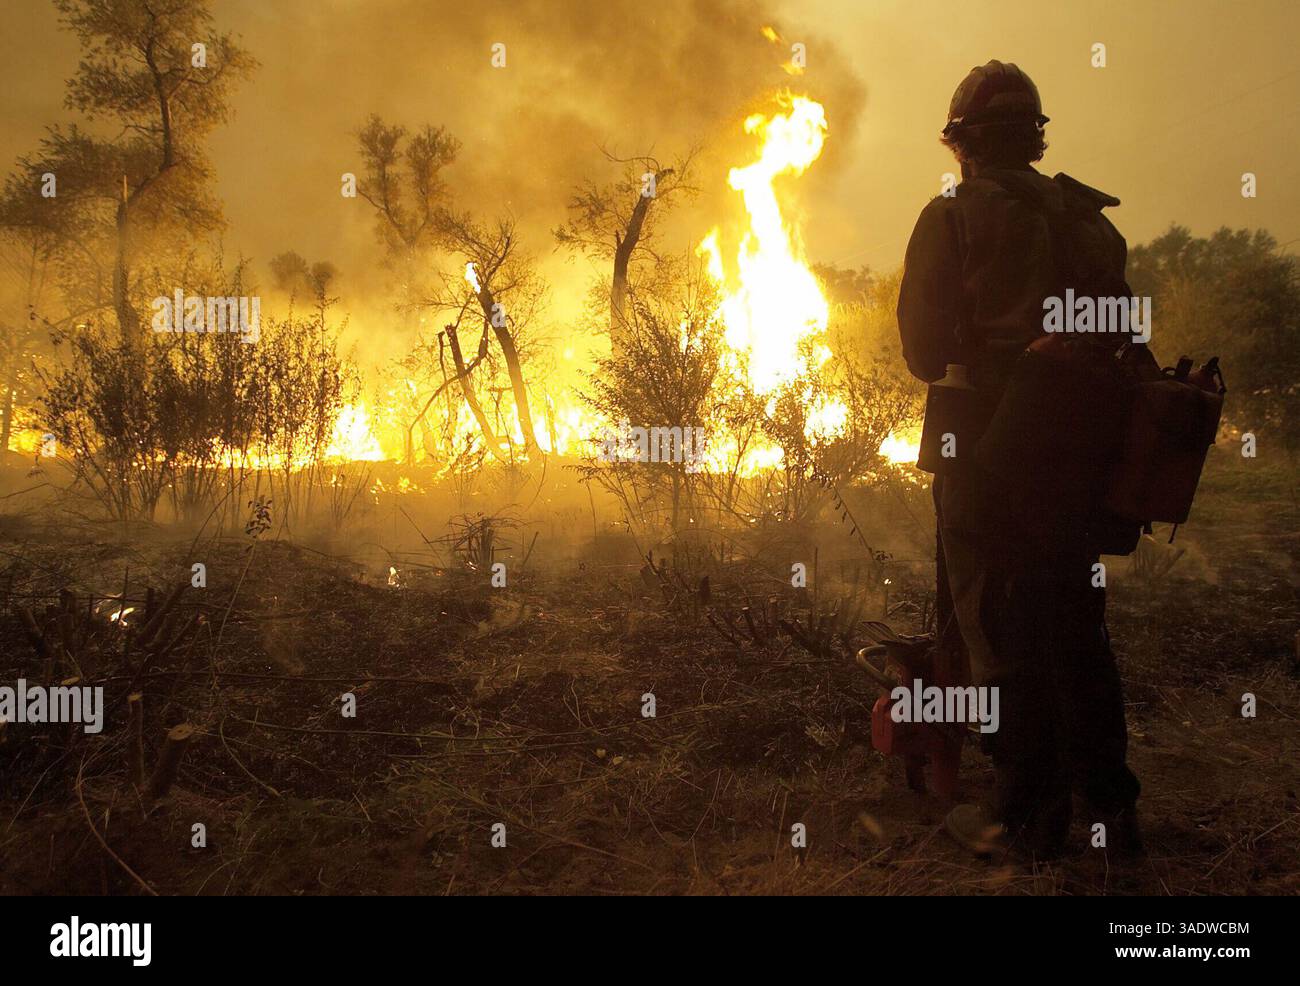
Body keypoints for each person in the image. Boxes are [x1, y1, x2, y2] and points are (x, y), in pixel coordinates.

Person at [897, 60, 1142, 859]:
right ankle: (1112, 810)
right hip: (1079, 456)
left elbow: (925, 354)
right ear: (1035, 139)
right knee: (1075, 623)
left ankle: (1023, 818)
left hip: (986, 452)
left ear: (963, 143)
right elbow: (1115, 334)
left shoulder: (953, 216)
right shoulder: (1089, 219)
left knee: (997, 622)